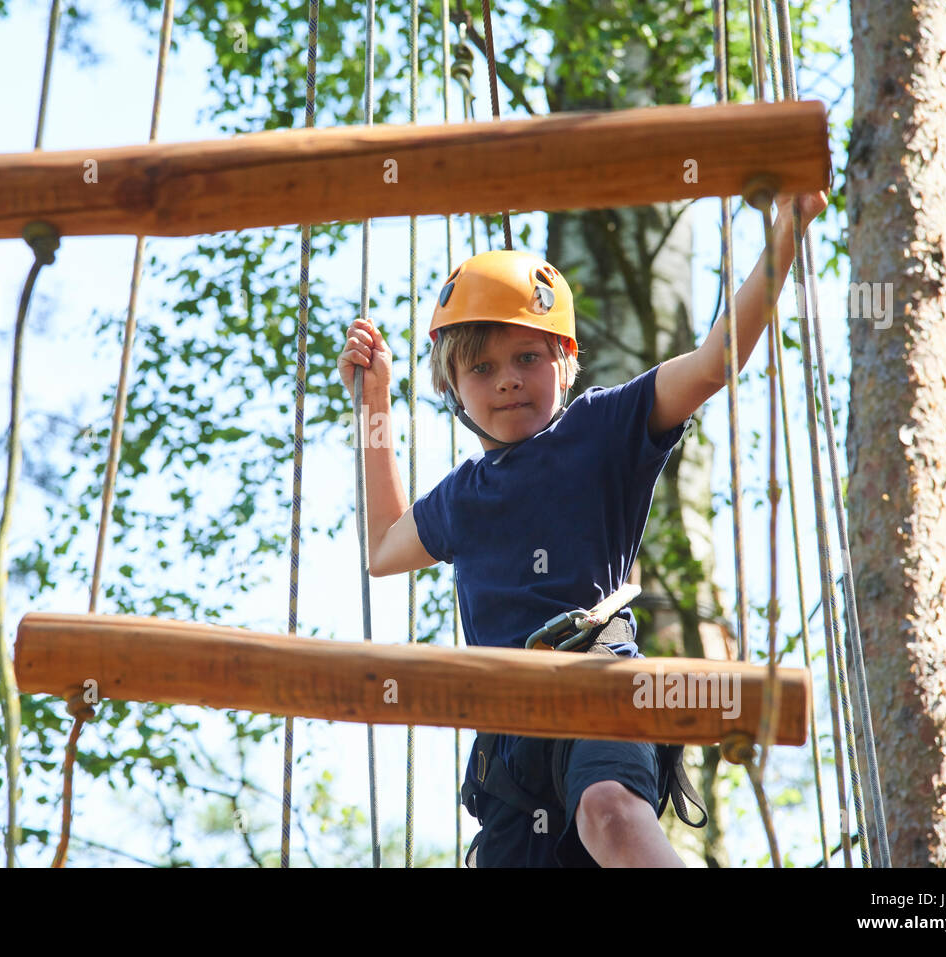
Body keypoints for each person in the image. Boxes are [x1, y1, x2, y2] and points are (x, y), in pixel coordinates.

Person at [337, 191, 827, 867]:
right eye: (482, 367)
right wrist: (374, 402)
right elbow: (385, 546)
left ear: (566, 361)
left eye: (528, 359)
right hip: (509, 747)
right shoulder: (463, 497)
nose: (507, 380)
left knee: (611, 814)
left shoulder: (603, 427)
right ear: (453, 388)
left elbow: (715, 361)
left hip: (596, 683)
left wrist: (786, 233)